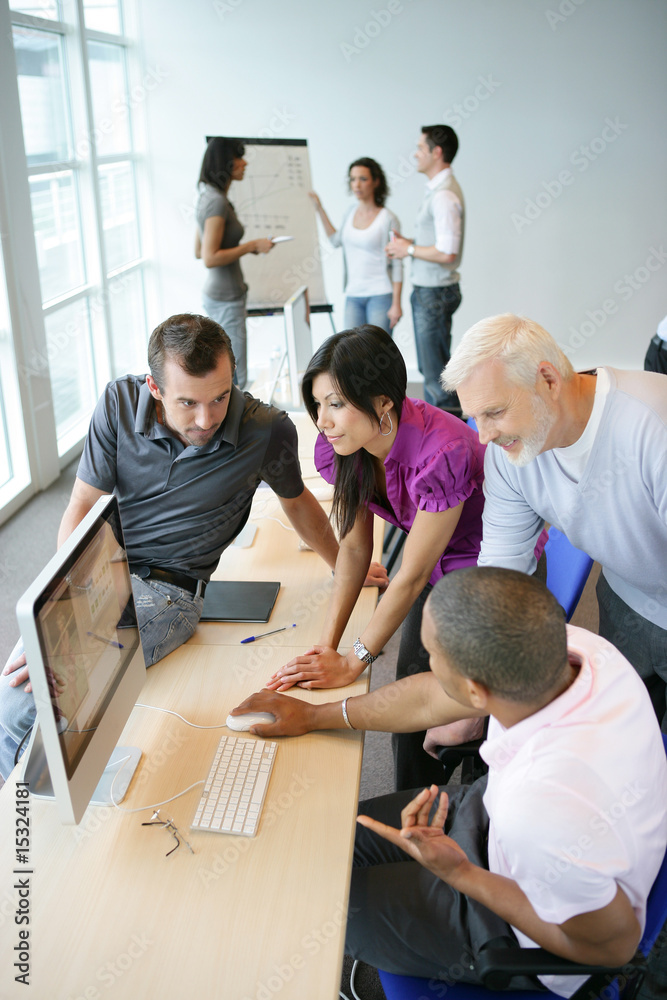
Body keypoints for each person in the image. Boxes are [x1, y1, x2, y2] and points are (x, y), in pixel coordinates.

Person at [232, 567, 667, 994]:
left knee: (309, 897)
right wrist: (313, 716)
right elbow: (427, 697)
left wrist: (463, 875)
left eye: (432, 656)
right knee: (319, 845)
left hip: (521, 922)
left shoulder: (543, 806)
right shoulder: (580, 649)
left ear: (477, 693)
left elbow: (611, 947)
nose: (426, 667)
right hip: (506, 824)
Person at [0, 314, 386, 780]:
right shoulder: (118, 403)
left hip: (169, 593)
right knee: (22, 679)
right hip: (97, 572)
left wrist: (343, 565)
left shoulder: (265, 429)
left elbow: (298, 503)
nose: (207, 419)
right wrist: (67, 603)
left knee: (50, 689)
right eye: (188, 402)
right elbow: (82, 506)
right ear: (154, 388)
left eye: (221, 397)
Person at [265, 324, 485, 789]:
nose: (321, 420)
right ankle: (411, 806)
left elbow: (411, 574)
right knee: (410, 679)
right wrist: (329, 646)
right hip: (433, 569)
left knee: (444, 695)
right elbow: (354, 547)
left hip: (484, 574)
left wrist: (357, 659)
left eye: (337, 404)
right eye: (319, 403)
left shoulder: (442, 452)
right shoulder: (346, 444)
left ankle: (469, 806)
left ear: (383, 403)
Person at [440, 312, 667, 729]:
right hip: (627, 597)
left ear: (547, 379)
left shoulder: (653, 426)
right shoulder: (510, 452)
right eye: (476, 417)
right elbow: (502, 575)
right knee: (627, 740)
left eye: (494, 412)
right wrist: (485, 700)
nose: (483, 436)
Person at [385, 125, 464, 412]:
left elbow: (447, 252)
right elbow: (439, 244)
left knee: (436, 378)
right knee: (434, 372)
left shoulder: (444, 196)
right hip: (430, 293)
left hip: (435, 294)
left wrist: (409, 249)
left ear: (437, 152)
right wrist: (411, 244)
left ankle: (450, 447)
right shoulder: (437, 192)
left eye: (420, 148)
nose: (415, 154)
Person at [195, 136, 274, 389]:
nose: (245, 162)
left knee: (230, 372)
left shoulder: (208, 196)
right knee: (235, 377)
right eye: (239, 156)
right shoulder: (217, 201)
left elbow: (198, 249)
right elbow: (209, 257)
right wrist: (250, 246)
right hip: (226, 299)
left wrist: (240, 249)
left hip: (223, 296)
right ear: (226, 162)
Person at [308, 157, 403, 335]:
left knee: (377, 352)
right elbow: (335, 241)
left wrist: (396, 304)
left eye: (363, 179)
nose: (356, 185)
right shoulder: (350, 213)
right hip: (353, 295)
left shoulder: (388, 218)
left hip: (381, 294)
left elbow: (397, 263)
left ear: (376, 182)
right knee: (350, 353)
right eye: (352, 179)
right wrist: (320, 209)